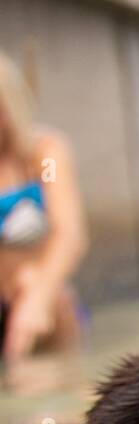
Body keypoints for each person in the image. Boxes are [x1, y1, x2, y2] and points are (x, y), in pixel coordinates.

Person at [0, 51, 87, 359]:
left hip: (43, 299)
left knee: (55, 297)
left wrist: (38, 294)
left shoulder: (44, 151)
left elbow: (69, 234)